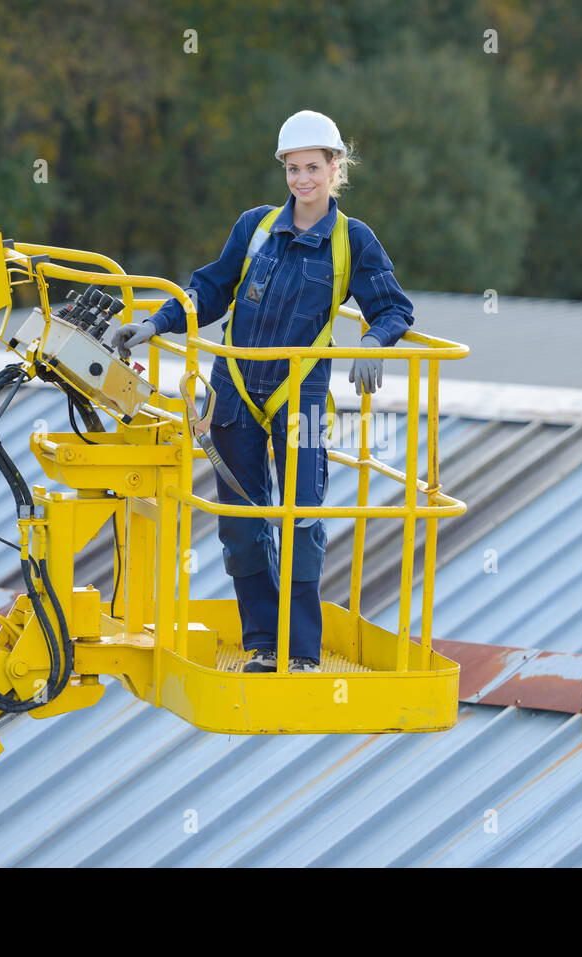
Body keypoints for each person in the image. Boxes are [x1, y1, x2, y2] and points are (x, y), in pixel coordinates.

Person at [113, 110, 415, 673]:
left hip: (299, 396)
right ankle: (262, 644)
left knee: (300, 518)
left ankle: (300, 653)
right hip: (235, 392)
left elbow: (393, 306)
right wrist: (155, 324)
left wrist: (375, 343)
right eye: (293, 169)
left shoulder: (352, 240)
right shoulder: (255, 228)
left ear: (334, 168)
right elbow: (211, 287)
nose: (302, 180)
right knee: (241, 525)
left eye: (313, 168)